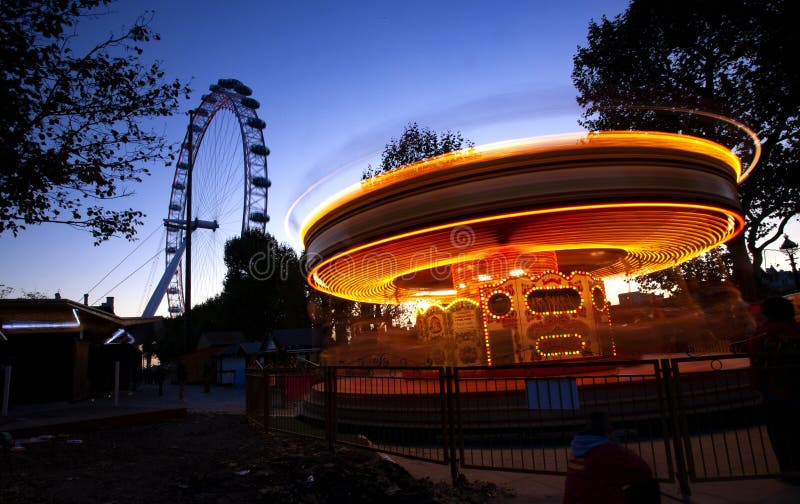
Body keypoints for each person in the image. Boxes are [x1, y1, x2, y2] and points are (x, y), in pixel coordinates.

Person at [747, 296, 800, 479]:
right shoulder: (796, 331)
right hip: (792, 389)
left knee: (780, 432)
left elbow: (757, 363)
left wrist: (758, 386)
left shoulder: (762, 335)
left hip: (775, 392)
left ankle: (788, 468)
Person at [563, 412, 660, 504]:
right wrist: (618, 447)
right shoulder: (607, 450)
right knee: (650, 486)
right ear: (607, 432)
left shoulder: (577, 450)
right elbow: (644, 471)